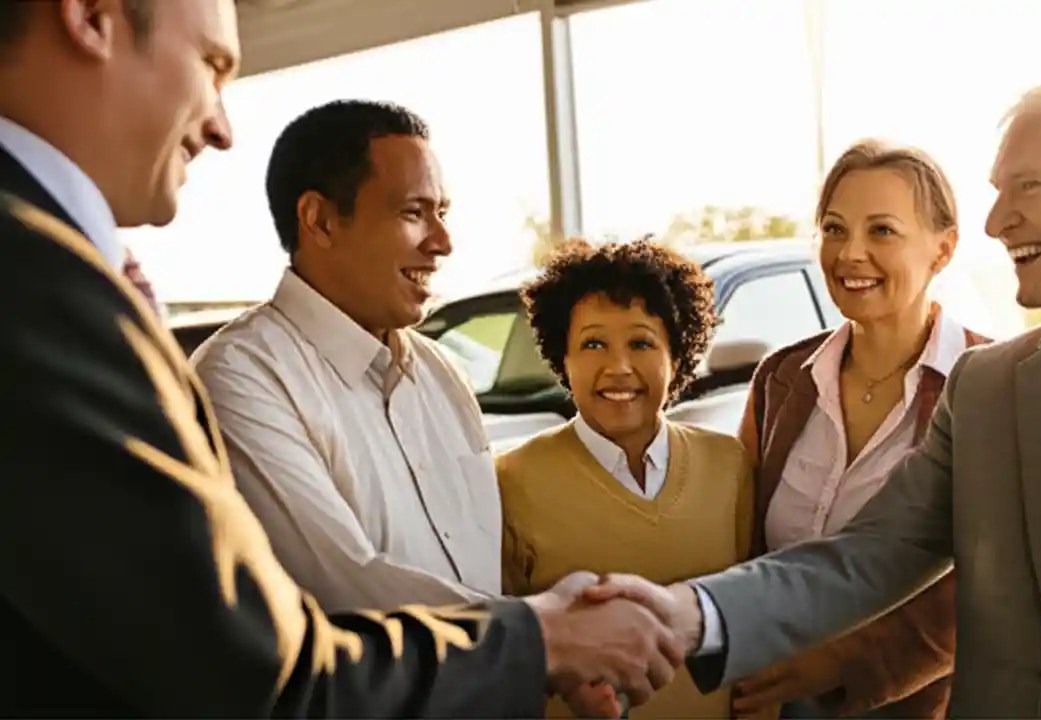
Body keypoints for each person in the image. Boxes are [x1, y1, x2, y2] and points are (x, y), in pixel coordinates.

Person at [0, 0, 681, 715]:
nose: (222, 129)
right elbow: (270, 649)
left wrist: (544, 648)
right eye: (211, 64)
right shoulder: (67, 299)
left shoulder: (442, 374)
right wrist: (544, 642)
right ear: (90, 16)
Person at [585, 73, 1041, 718]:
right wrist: (684, 614)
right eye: (999, 191)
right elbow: (865, 556)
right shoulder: (988, 390)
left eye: (1030, 186)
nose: (996, 221)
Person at [193, 100, 497, 612]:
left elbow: (490, 565)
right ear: (322, 220)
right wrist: (547, 639)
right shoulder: (241, 378)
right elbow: (345, 588)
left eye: (441, 213)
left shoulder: (441, 373)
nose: (442, 242)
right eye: (413, 212)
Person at [733, 140, 989, 720]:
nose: (850, 254)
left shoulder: (992, 386)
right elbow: (745, 544)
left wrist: (839, 663)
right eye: (834, 229)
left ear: (943, 249)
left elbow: (993, 587)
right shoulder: (781, 379)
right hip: (771, 699)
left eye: (882, 231)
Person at [499, 238, 753, 718]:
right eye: (592, 344)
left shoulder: (730, 466)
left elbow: (750, 615)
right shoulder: (513, 481)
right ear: (563, 359)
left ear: (678, 356)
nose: (617, 367)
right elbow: (502, 655)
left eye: (641, 343)